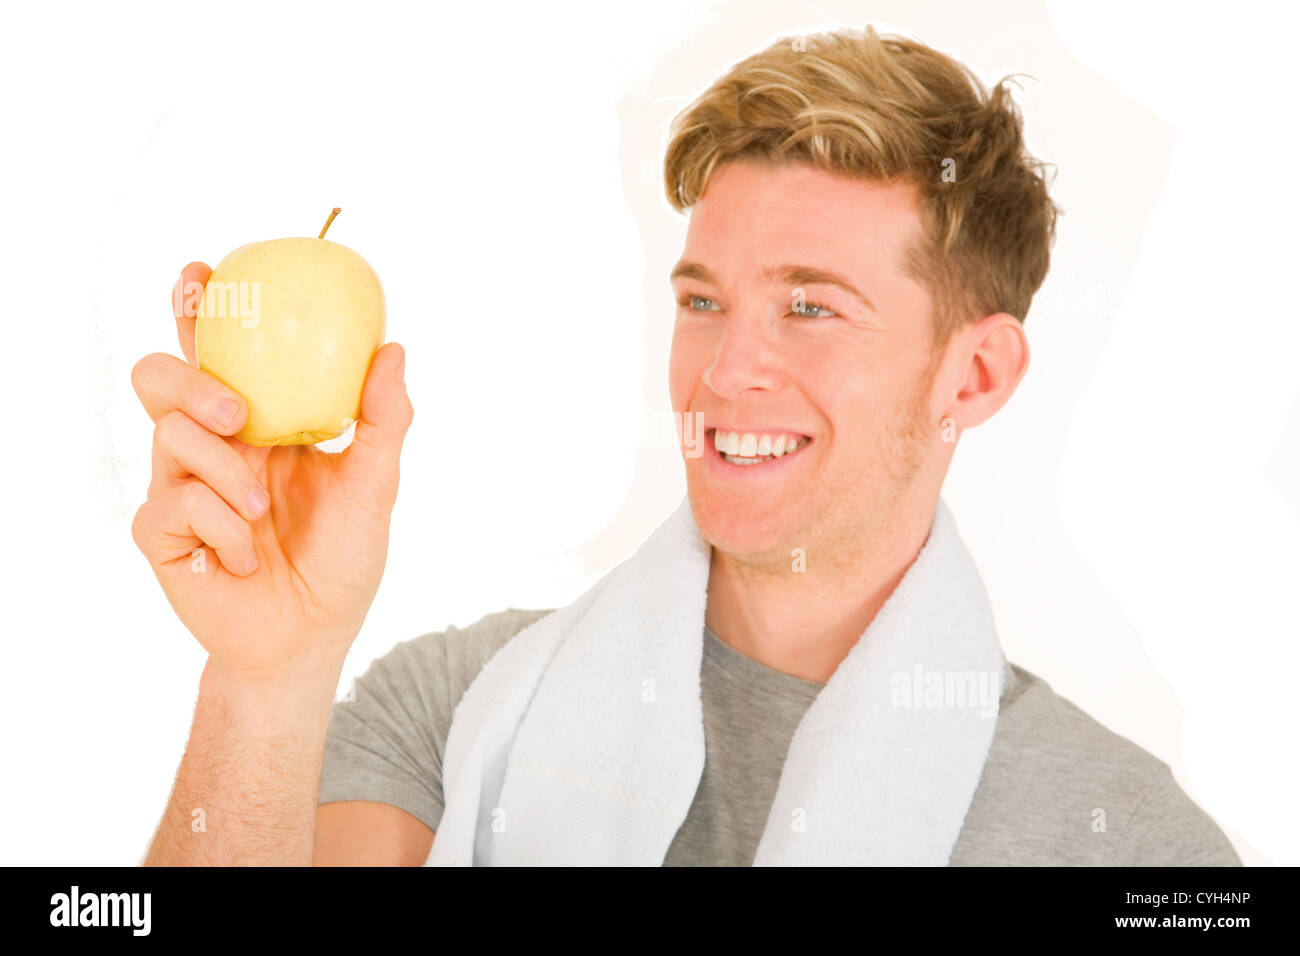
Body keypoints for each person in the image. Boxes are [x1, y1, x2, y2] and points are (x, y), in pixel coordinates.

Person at [133, 26, 1240, 865]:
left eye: (810, 308)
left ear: (976, 374)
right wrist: (265, 673)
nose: (723, 371)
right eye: (703, 300)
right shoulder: (455, 709)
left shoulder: (1135, 843)